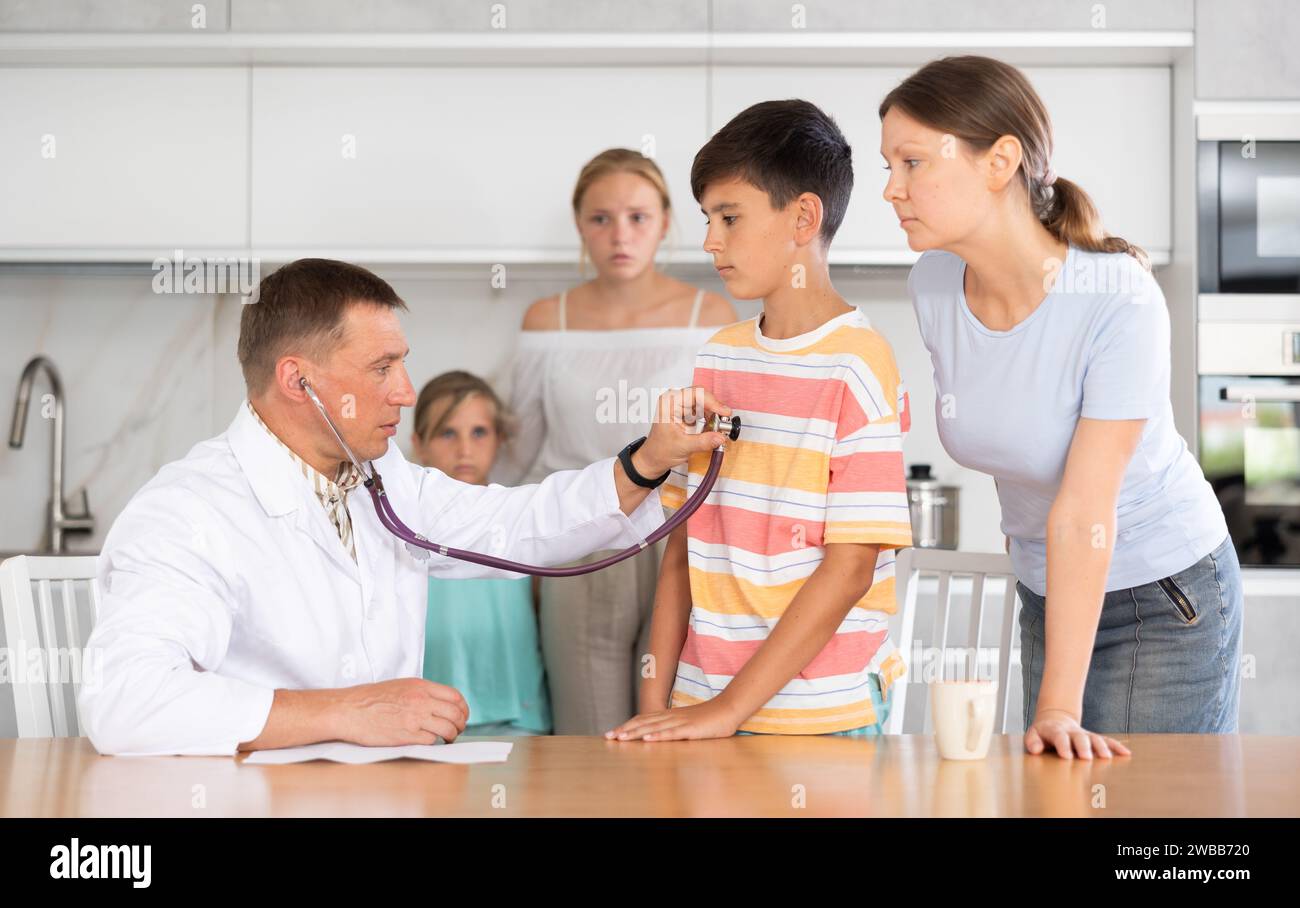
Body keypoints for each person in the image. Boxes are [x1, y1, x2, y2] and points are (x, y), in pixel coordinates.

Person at [78, 258, 732, 756]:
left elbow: (513, 525)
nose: (406, 391)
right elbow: (125, 700)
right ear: (297, 380)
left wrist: (647, 461)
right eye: (381, 368)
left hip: (382, 793)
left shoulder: (380, 478)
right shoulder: (189, 511)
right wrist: (341, 713)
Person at [880, 56, 1241, 759]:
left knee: (1146, 829)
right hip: (1050, 590)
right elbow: (1015, 435)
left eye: (913, 162)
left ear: (1000, 161)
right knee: (1061, 795)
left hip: (1162, 592)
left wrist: (1056, 705)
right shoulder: (933, 285)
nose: (891, 189)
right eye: (889, 165)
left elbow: (1084, 512)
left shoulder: (1116, 297)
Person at [609, 100, 913, 742]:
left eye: (729, 217)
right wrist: (653, 693)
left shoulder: (859, 364)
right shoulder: (718, 357)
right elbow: (683, 547)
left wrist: (727, 711)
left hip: (819, 716)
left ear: (804, 216)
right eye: (707, 218)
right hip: (698, 702)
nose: (710, 240)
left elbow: (850, 567)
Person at [493, 148, 736, 734]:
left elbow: (723, 449)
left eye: (637, 217)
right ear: (580, 226)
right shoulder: (546, 320)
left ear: (666, 223)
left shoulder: (711, 314)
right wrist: (517, 559)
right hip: (580, 541)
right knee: (587, 732)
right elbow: (519, 453)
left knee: (672, 730)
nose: (619, 234)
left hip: (678, 543)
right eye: (601, 219)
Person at [410, 370, 550, 737]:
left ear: (499, 439)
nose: (465, 450)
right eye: (447, 433)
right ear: (418, 442)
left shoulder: (522, 517)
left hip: (519, 717)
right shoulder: (398, 526)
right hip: (428, 721)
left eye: (479, 432)